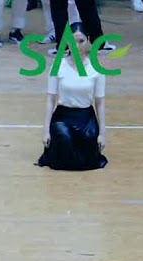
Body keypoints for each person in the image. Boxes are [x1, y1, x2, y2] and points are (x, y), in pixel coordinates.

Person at [35, 26, 108, 171]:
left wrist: (102, 133)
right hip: (63, 117)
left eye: (81, 41)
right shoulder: (58, 65)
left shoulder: (96, 67)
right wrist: (45, 130)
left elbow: (100, 103)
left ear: (88, 42)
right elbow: (51, 100)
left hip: (86, 117)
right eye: (73, 42)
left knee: (88, 142)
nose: (77, 46)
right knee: (64, 137)